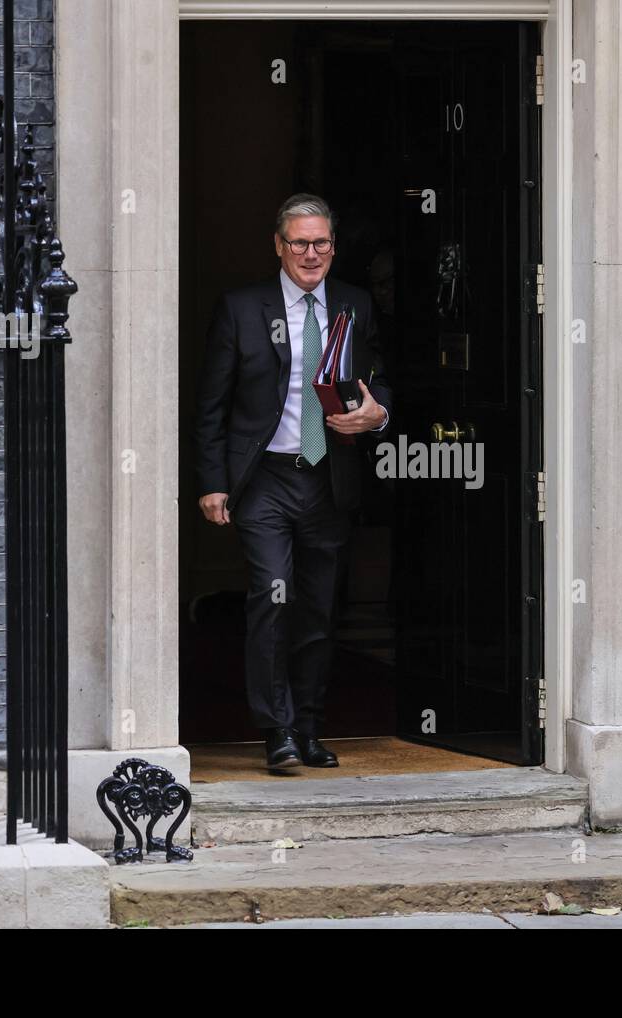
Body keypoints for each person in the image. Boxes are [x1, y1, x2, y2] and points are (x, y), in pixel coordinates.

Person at [193, 194, 393, 773]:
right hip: (265, 482)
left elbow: (383, 380)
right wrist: (212, 482)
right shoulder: (241, 308)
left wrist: (376, 414)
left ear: (334, 246)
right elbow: (210, 405)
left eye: (322, 243)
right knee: (273, 597)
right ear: (279, 246)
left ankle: (308, 726)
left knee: (317, 612)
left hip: (329, 477)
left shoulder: (354, 304)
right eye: (300, 243)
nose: (312, 253)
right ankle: (275, 729)